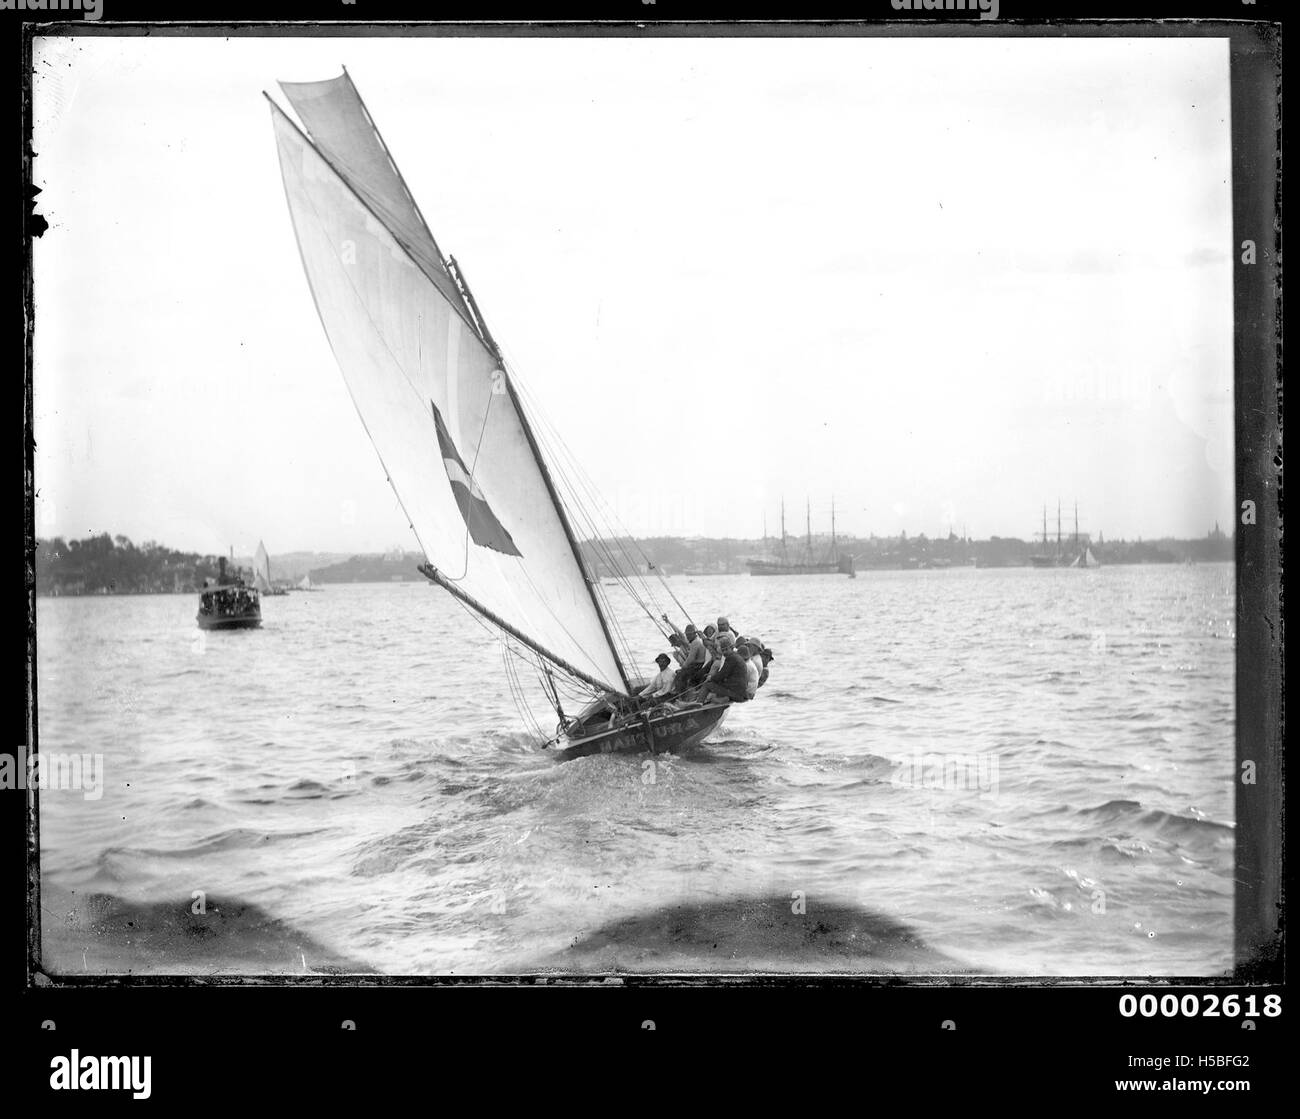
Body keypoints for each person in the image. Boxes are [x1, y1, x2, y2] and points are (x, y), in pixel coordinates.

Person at [698, 634, 749, 704]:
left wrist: (710, 678)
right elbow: (724, 674)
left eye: (726, 650)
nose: (724, 652)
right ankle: (723, 699)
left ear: (731, 647)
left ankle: (698, 703)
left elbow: (722, 674)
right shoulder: (736, 656)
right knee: (717, 683)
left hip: (736, 693)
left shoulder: (731, 658)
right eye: (723, 650)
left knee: (707, 685)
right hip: (740, 693)